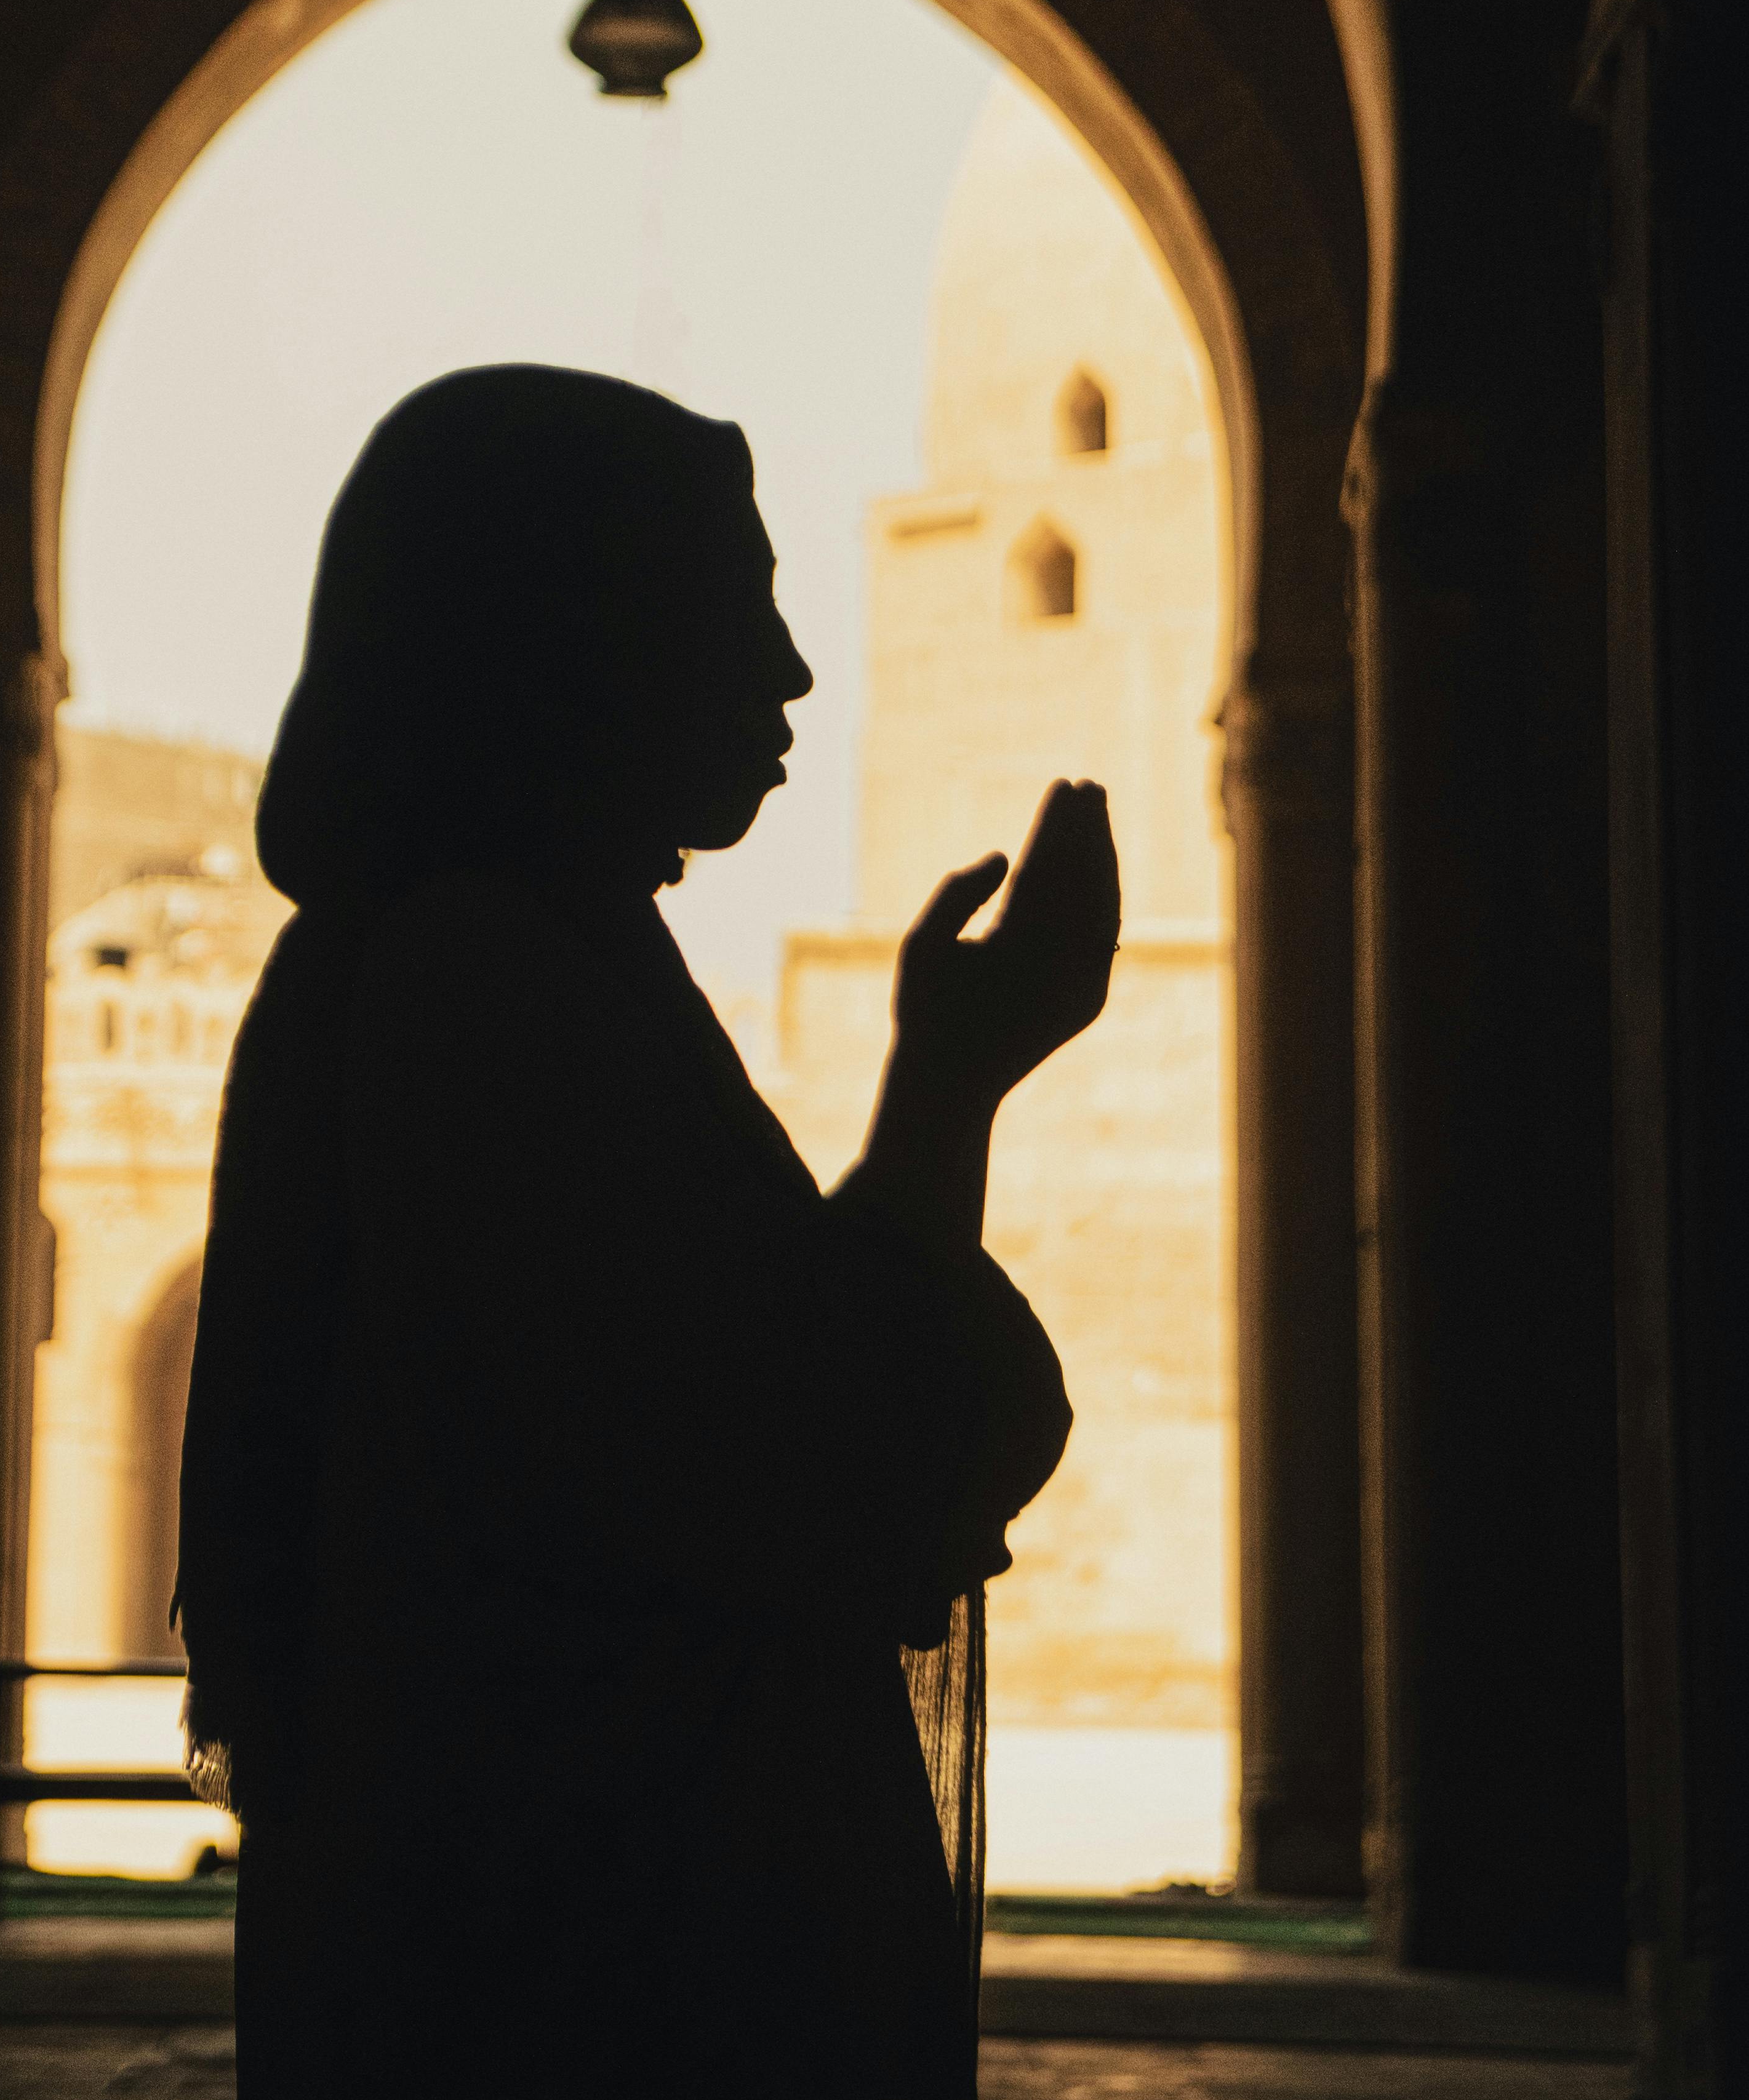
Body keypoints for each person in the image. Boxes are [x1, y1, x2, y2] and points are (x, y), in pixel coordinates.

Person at [176, 365, 1118, 2099]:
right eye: (731, 605)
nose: (791, 671)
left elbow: (761, 1391)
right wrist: (953, 1086)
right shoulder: (481, 991)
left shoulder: (528, 962)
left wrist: (951, 1072)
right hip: (575, 1967)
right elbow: (794, 1457)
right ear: (570, 628)